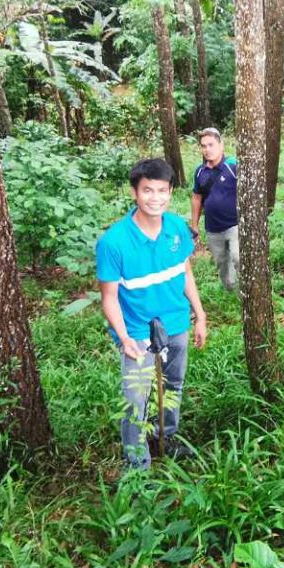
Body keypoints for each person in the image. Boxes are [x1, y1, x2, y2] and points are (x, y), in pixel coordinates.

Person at [96, 158, 208, 470]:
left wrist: (199, 314)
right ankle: (137, 464)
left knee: (173, 384)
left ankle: (166, 437)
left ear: (170, 192)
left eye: (162, 190)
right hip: (136, 332)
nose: (155, 198)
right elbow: (109, 298)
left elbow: (184, 271)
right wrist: (124, 338)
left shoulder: (176, 228)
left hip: (175, 322)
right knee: (136, 398)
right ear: (135, 192)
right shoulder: (114, 242)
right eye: (147, 191)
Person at [190, 128, 240, 291]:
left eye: (211, 145)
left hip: (235, 225)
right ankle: (232, 294)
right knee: (222, 264)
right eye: (203, 146)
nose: (207, 149)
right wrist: (195, 225)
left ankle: (248, 291)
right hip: (212, 228)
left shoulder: (233, 166)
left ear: (221, 145)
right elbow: (197, 198)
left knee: (238, 256)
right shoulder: (200, 172)